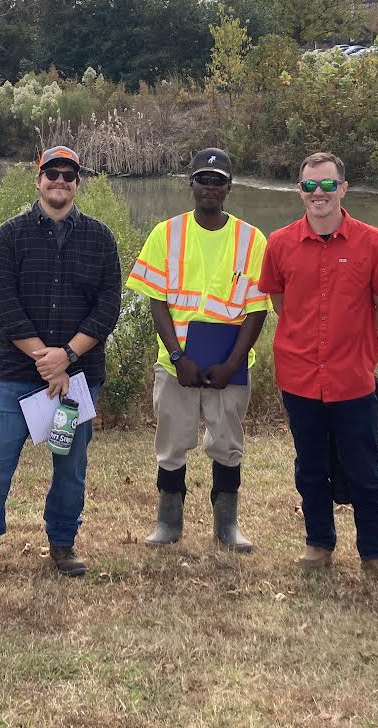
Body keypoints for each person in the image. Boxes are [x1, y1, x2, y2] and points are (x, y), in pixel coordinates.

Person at [0, 146, 122, 594]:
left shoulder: (101, 238)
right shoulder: (10, 235)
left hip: (78, 378)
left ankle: (63, 544)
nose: (60, 181)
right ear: (38, 178)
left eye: (69, 174)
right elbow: (4, 306)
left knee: (70, 466)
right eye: (52, 173)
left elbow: (108, 308)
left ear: (78, 182)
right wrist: (46, 360)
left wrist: (66, 356)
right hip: (16, 375)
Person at [257, 151, 378, 585]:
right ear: (300, 191)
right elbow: (281, 304)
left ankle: (375, 553)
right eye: (309, 186)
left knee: (364, 467)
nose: (318, 194)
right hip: (299, 375)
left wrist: (356, 341)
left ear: (342, 188)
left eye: (326, 185)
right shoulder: (280, 243)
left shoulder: (374, 242)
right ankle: (319, 543)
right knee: (310, 465)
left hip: (352, 376)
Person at [127, 147, 269, 551]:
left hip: (230, 368)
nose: (209, 187)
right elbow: (156, 300)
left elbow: (257, 311)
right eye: (202, 179)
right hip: (177, 367)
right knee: (172, 445)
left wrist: (232, 364)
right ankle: (168, 522)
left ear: (229, 187)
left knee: (227, 444)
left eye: (217, 180)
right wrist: (176, 356)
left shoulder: (252, 239)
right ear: (190, 184)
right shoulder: (165, 233)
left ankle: (227, 527)